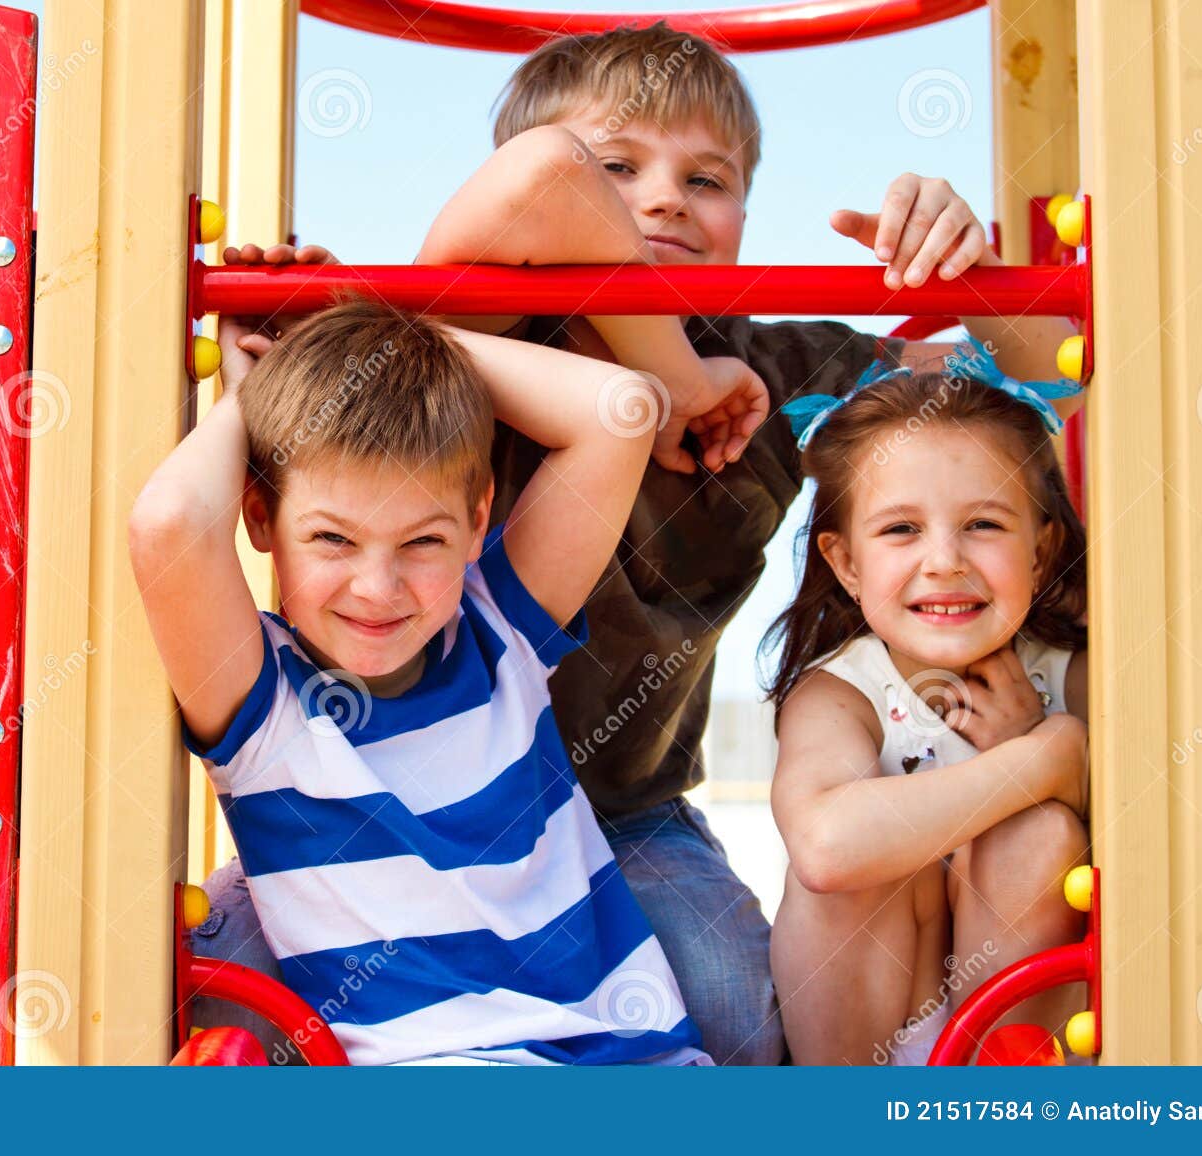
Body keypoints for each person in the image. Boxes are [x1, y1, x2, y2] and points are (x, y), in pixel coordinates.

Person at [200, 20, 1079, 1064]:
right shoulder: (462, 341)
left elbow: (1042, 382)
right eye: (615, 168)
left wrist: (969, 267)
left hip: (619, 807)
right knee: (230, 997)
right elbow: (536, 177)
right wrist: (676, 378)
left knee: (735, 1020)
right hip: (372, 804)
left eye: (707, 180)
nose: (663, 200)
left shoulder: (779, 368)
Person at [130, 297, 708, 1065]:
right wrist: (251, 396)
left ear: (477, 521)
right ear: (259, 517)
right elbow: (168, 524)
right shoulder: (265, 702)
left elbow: (623, 411)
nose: (378, 588)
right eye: (333, 538)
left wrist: (379, 322)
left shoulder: (500, 629)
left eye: (423, 541)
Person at [765, 348, 1090, 1065]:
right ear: (846, 563)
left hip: (1011, 1036)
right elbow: (824, 849)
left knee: (1041, 836)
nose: (944, 560)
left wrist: (1044, 744)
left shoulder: (1073, 677)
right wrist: (1043, 759)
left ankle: (1000, 1104)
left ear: (1040, 553)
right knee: (859, 851)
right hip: (875, 1038)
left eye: (984, 524)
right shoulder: (841, 694)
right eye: (900, 529)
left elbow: (1161, 825)